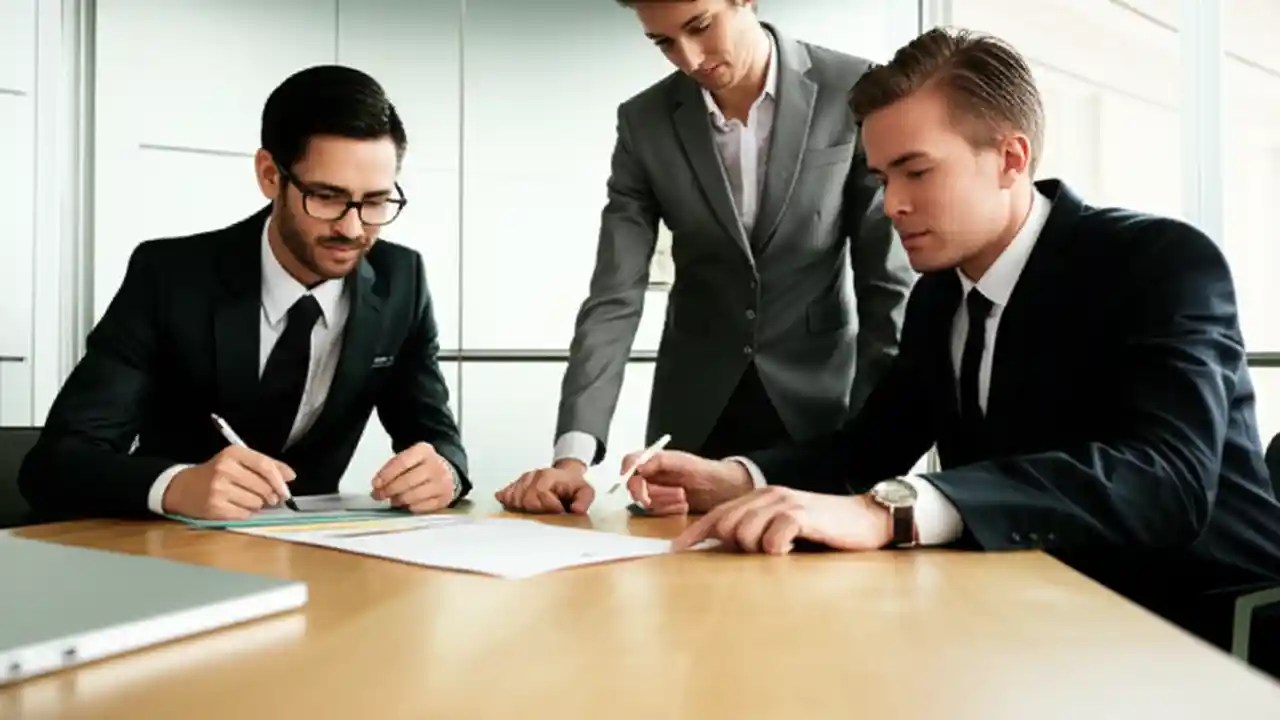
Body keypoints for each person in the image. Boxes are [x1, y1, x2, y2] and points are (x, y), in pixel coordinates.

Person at [633, 27, 1280, 667]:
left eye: (916, 172)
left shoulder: (1159, 263)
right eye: (883, 177)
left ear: (1011, 158)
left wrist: (899, 512)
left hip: (1202, 631)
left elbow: (1166, 479)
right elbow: (869, 448)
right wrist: (737, 478)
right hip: (1028, 613)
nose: (891, 205)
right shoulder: (941, 296)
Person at [496, 0, 914, 515]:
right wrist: (572, 457)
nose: (689, 58)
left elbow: (888, 285)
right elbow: (614, 295)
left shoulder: (853, 89)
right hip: (692, 419)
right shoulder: (643, 122)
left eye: (700, 26)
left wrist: (872, 440)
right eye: (664, 42)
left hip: (823, 411)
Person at [20, 65, 469, 521]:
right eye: (327, 197)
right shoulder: (171, 278)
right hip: (175, 553)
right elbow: (55, 464)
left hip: (326, 554)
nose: (353, 229)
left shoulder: (401, 279)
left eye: (375, 201)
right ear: (270, 175)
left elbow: (436, 436)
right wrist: (174, 485)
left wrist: (445, 473)